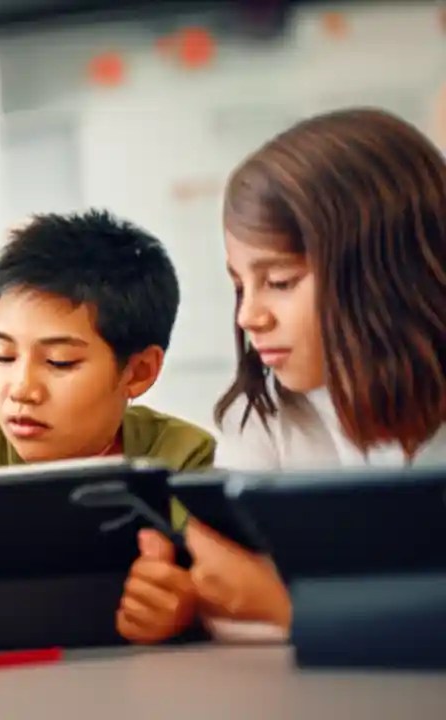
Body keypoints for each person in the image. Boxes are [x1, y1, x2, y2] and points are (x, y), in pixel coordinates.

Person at [175, 108, 444, 631]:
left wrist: (288, 607)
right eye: (239, 285)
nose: (248, 315)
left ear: (383, 277)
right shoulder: (264, 419)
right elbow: (228, 602)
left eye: (279, 280)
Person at [0, 209, 215, 644]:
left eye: (59, 362)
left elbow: (206, 590)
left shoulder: (178, 456)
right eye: (2, 355)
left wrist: (184, 608)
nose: (20, 389)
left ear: (139, 371)